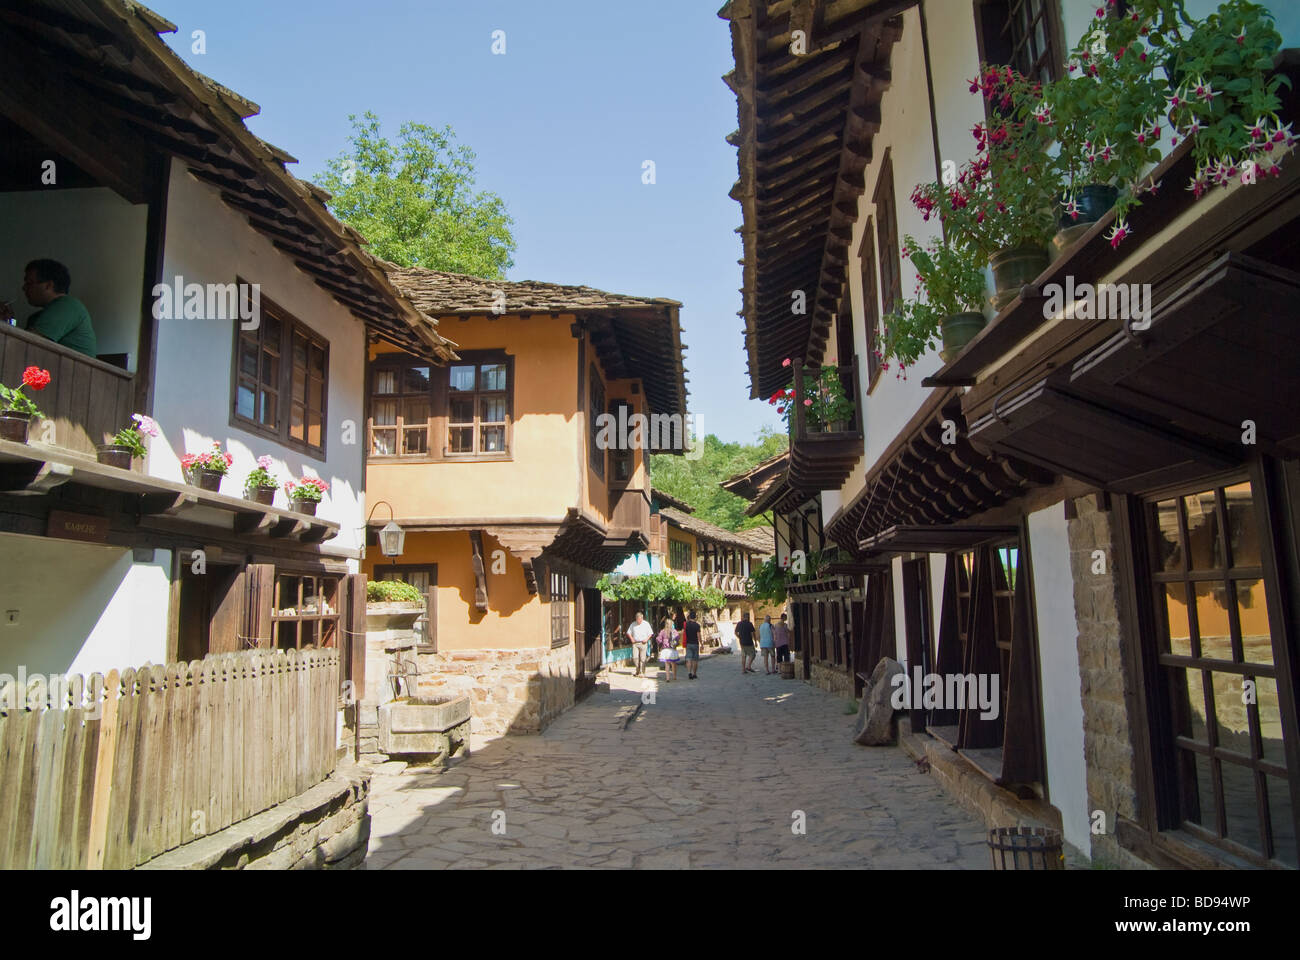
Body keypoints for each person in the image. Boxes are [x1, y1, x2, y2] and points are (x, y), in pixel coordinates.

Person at [1, 260, 97, 358]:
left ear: (48, 285)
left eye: (29, 283)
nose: (24, 287)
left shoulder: (67, 305)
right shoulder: (35, 317)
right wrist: (8, 321)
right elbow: (18, 348)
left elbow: (25, 345)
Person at [627, 611, 653, 676]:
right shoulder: (633, 624)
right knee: (635, 657)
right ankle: (637, 670)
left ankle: (642, 672)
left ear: (642, 618)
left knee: (642, 658)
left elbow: (650, 633)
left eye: (639, 619)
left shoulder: (646, 624)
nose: (638, 621)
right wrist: (632, 639)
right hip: (635, 643)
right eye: (637, 619)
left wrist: (646, 639)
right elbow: (628, 632)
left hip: (643, 643)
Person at [657, 617, 679, 681]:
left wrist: (661, 644)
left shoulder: (663, 631)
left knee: (667, 664)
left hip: (665, 649)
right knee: (673, 664)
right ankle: (674, 676)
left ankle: (667, 678)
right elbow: (677, 639)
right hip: (672, 649)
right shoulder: (674, 631)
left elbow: (658, 639)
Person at [683, 610, 702, 679]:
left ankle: (689, 673)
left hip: (688, 644)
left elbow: (684, 633)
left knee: (688, 659)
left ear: (689, 617)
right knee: (695, 660)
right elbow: (699, 636)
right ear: (695, 617)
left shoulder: (686, 625)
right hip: (695, 644)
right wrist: (701, 644)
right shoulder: (697, 625)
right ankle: (694, 674)